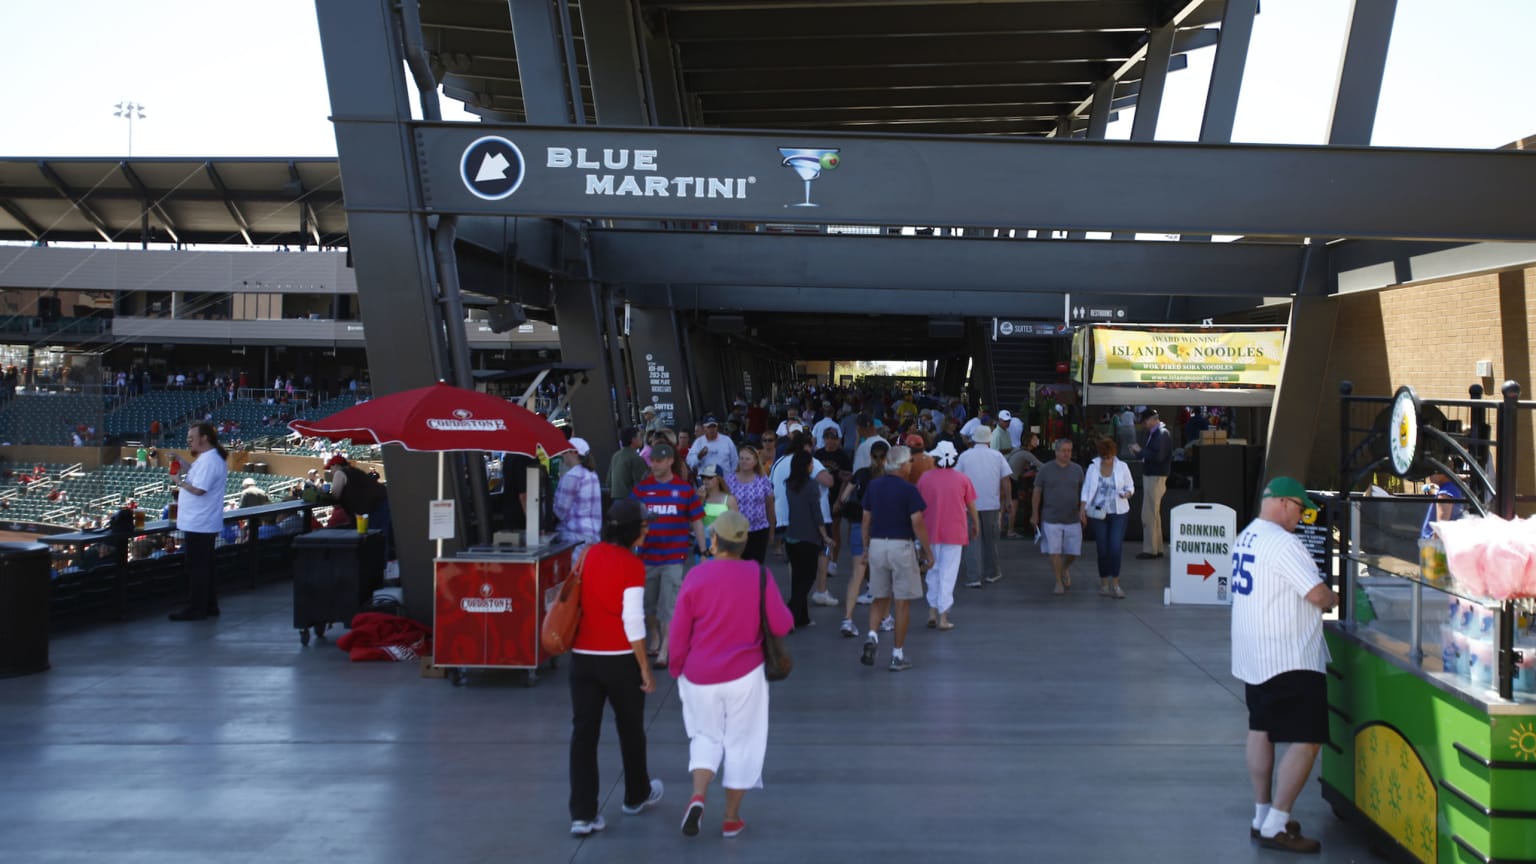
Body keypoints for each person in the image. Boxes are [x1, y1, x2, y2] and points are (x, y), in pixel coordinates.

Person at [668, 511, 793, 839]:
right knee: (742, 742)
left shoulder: (697, 575)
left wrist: (676, 666)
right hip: (745, 675)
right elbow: (782, 624)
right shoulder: (759, 575)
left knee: (705, 736)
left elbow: (678, 631)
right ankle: (731, 818)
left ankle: (698, 796)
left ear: (714, 541)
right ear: (744, 543)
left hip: (699, 674)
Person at [1231, 478, 1338, 854]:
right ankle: (1277, 822)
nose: (1302, 517)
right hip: (1289, 657)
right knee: (1307, 738)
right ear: (1282, 503)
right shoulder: (1284, 544)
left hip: (1254, 653)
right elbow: (1317, 594)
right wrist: (1336, 596)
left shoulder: (1247, 536)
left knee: (1260, 729)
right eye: (1301, 509)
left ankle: (1262, 814)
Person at [567, 498, 665, 836]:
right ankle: (636, 795)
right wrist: (645, 668)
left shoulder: (587, 554)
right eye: (644, 526)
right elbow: (633, 622)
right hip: (621, 660)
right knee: (630, 729)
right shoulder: (632, 565)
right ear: (630, 530)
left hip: (583, 657)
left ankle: (582, 814)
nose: (647, 531)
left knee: (583, 734)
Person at [857, 445, 933, 672]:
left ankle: (872, 635)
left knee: (879, 596)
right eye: (909, 461)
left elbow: (866, 519)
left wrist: (865, 547)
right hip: (901, 546)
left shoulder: (874, 486)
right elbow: (917, 522)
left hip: (877, 545)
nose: (911, 465)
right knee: (902, 602)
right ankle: (897, 654)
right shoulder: (909, 490)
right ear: (902, 465)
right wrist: (928, 552)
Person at [632, 442, 706, 667]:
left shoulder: (684, 490)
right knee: (648, 604)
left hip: (674, 557)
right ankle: (655, 635)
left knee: (668, 604)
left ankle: (665, 649)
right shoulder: (642, 490)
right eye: (652, 461)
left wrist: (703, 551)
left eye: (659, 461)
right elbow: (630, 518)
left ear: (670, 461)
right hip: (646, 557)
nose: (654, 465)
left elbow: (697, 521)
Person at [168, 422, 230, 621]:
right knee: (205, 566)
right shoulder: (208, 458)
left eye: (191, 437)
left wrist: (179, 482)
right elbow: (196, 473)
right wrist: (181, 461)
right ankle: (209, 606)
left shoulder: (210, 460)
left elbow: (199, 489)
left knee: (198, 568)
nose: (189, 441)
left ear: (204, 438)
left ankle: (197, 608)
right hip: (200, 522)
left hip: (200, 523)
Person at [916, 441, 977, 630]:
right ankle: (943, 616)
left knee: (932, 570)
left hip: (930, 531)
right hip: (955, 531)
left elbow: (918, 506)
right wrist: (976, 523)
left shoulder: (925, 478)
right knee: (948, 573)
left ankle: (932, 611)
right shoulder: (962, 479)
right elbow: (971, 505)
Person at [837, 438, 888, 637]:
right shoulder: (888, 477)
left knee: (857, 575)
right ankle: (885, 618)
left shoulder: (860, 473)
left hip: (859, 526)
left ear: (870, 456)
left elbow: (843, 497)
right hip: (881, 529)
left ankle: (847, 619)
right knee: (881, 577)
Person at [782, 450, 832, 629]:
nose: (812, 466)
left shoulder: (789, 484)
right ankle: (788, 615)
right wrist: (825, 536)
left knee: (797, 578)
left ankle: (802, 617)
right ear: (806, 466)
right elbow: (816, 514)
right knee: (809, 577)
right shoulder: (811, 485)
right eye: (811, 463)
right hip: (809, 538)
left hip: (791, 536)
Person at [955, 427, 1011, 588]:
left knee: (972, 541)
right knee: (990, 540)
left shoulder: (965, 456)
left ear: (973, 439)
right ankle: (992, 573)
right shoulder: (997, 456)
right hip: (991, 504)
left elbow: (957, 478)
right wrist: (1008, 500)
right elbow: (1006, 480)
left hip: (969, 505)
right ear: (989, 439)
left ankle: (973, 577)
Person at [1080, 437, 1135, 599]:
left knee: (1115, 547)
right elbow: (1086, 489)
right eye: (1104, 456)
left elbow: (1130, 486)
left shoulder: (1122, 466)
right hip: (1098, 513)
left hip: (1119, 512)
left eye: (1109, 456)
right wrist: (1082, 509)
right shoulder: (1093, 467)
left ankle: (1116, 584)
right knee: (1102, 548)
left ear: (1114, 453)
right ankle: (1104, 584)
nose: (1107, 459)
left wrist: (1127, 493)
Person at [1033, 439, 1085, 595]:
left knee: (1074, 552)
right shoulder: (1045, 469)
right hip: (1051, 517)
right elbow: (1037, 492)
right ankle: (1058, 581)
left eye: (1069, 450)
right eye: (1063, 450)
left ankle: (1064, 568)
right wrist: (1035, 513)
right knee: (1054, 551)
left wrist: (1083, 511)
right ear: (1056, 452)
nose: (1066, 454)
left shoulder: (1077, 470)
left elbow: (1084, 493)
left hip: (1072, 517)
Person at [328, 454, 393, 555]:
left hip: (376, 508)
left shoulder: (340, 472)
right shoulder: (354, 471)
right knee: (383, 540)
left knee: (379, 542)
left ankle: (383, 563)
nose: (330, 471)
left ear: (335, 465)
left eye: (330, 468)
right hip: (384, 503)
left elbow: (335, 495)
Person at [726, 443, 773, 562]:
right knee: (737, 567)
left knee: (756, 568)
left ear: (755, 461)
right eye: (741, 458)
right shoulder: (729, 480)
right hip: (736, 531)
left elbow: (770, 506)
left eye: (747, 459)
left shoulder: (763, 480)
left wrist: (772, 531)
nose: (744, 461)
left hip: (759, 531)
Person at [1136, 408, 1172, 560]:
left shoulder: (1161, 434)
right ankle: (1156, 547)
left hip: (1155, 476)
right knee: (1154, 513)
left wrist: (1140, 451)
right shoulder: (1159, 433)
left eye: (1145, 421)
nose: (1143, 425)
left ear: (1152, 419)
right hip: (1155, 475)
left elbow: (1158, 457)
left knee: (1149, 514)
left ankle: (1150, 549)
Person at [554, 438, 602, 552]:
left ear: (574, 452)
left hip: (574, 537)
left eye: (564, 451)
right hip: (593, 535)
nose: (562, 455)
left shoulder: (571, 476)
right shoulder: (592, 474)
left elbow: (560, 511)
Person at [686, 415, 738, 479]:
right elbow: (689, 461)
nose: (712, 429)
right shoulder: (698, 442)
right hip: (705, 481)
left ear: (717, 427)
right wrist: (699, 456)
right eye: (709, 427)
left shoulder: (727, 440)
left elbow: (735, 461)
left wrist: (731, 477)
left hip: (724, 480)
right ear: (704, 428)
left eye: (714, 426)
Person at [696, 463, 738, 541]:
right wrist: (700, 500)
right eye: (703, 477)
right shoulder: (700, 497)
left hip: (723, 541)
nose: (705, 480)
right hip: (703, 540)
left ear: (719, 479)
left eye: (710, 477)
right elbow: (695, 522)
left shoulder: (730, 499)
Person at [608, 425, 648, 504]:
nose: (641, 439)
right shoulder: (636, 458)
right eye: (640, 436)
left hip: (615, 501)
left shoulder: (616, 455)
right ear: (633, 439)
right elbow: (642, 484)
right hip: (631, 502)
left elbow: (609, 481)